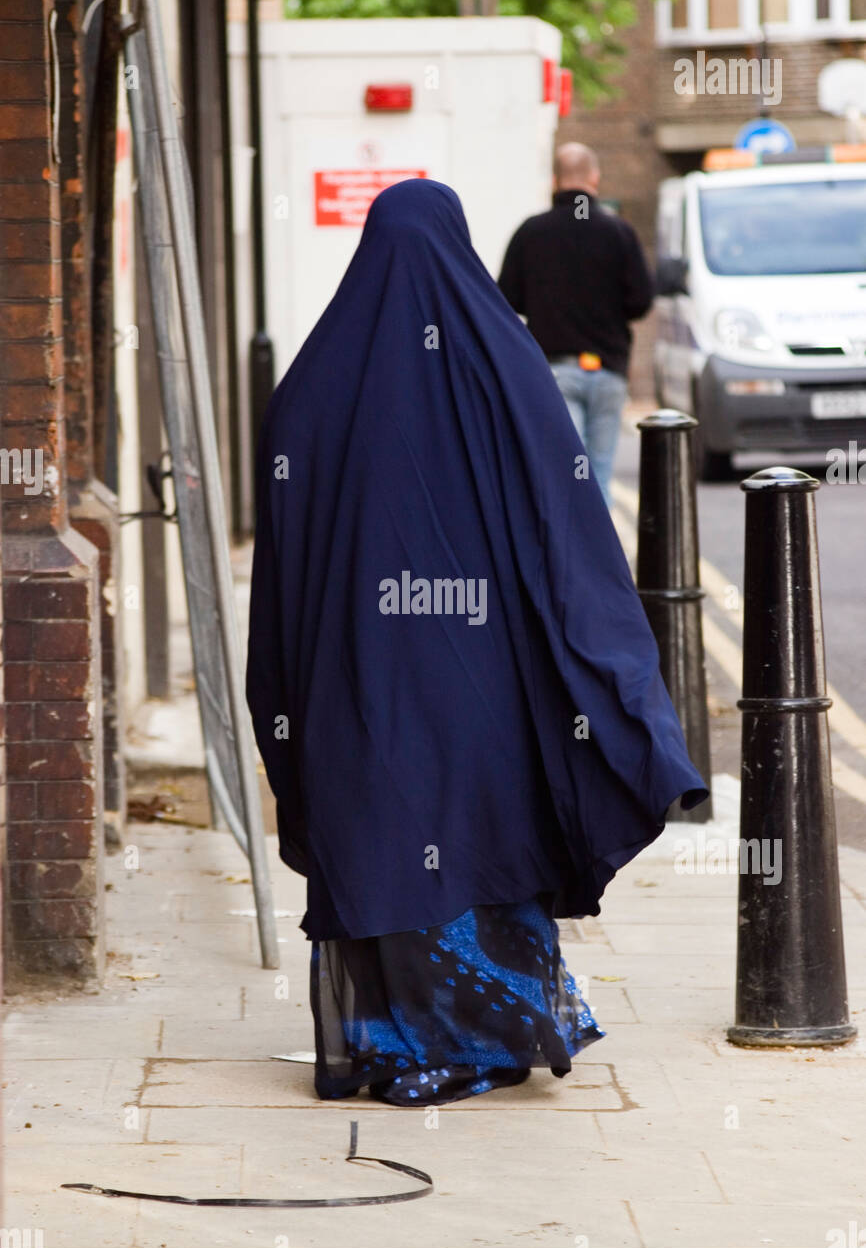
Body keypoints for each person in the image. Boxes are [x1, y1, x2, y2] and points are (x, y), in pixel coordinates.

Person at [246, 179, 707, 1108]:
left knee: (381, 826)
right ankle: (488, 1033)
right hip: (485, 673)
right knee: (478, 823)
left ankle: (396, 1042)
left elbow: (282, 569)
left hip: (357, 682)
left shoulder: (313, 383)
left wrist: (296, 691)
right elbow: (567, 527)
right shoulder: (508, 364)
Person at [498, 142, 654, 505]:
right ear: (595, 178)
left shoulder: (531, 232)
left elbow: (505, 299)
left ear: (555, 181)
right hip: (608, 371)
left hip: (554, 371)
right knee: (598, 471)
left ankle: (567, 558)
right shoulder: (619, 233)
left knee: (565, 472)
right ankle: (598, 557)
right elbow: (641, 301)